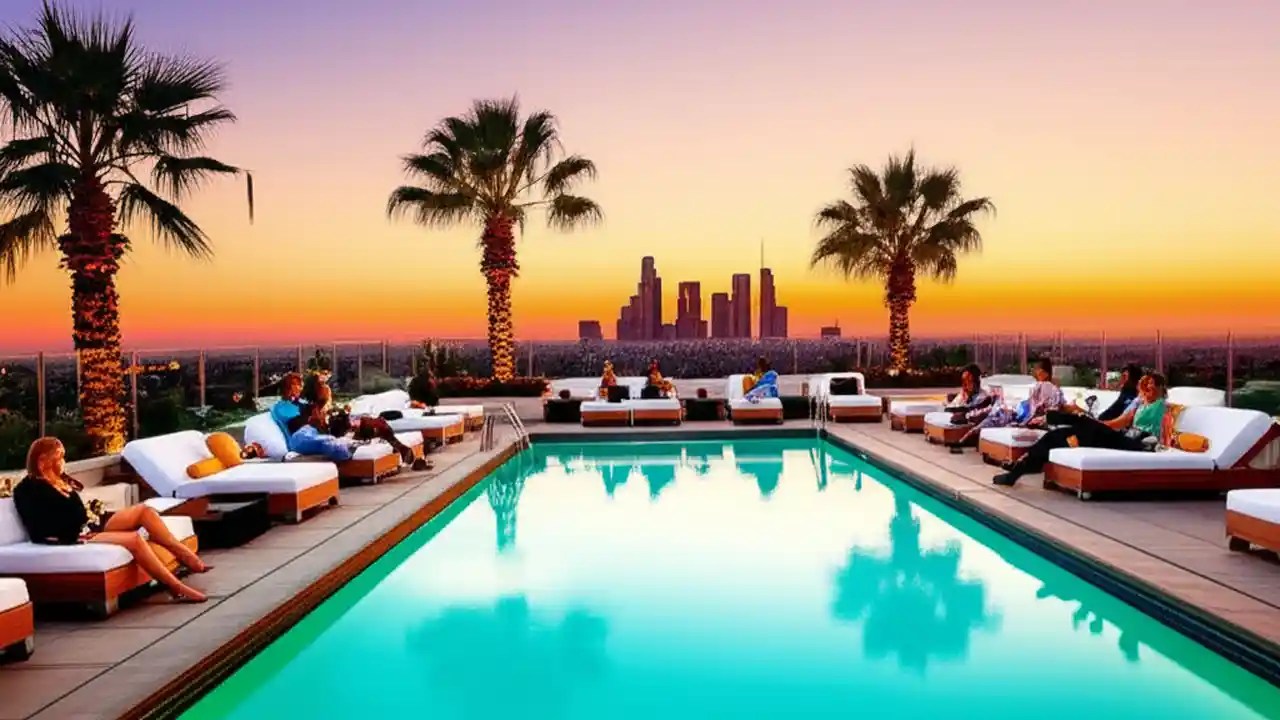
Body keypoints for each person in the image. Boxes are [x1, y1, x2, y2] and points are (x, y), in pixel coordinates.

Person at [13, 438, 210, 603]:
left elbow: (77, 509)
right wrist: (68, 533)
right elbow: (37, 525)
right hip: (74, 535)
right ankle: (175, 586)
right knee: (134, 539)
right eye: (59, 457)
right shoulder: (26, 490)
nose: (63, 461)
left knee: (145, 511)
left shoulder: (61, 480)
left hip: (90, 525)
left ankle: (183, 554)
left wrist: (73, 498)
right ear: (43, 460)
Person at [993, 372, 1169, 486]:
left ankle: (1052, 418)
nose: (1149, 387)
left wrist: (1094, 424)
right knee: (1056, 436)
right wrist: (1096, 424)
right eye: (1147, 383)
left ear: (1162, 387)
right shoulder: (1140, 405)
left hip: (1135, 442)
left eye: (1153, 383)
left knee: (1081, 420)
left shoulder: (1163, 405)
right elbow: (1119, 422)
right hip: (1118, 436)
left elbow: (1163, 428)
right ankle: (1019, 469)